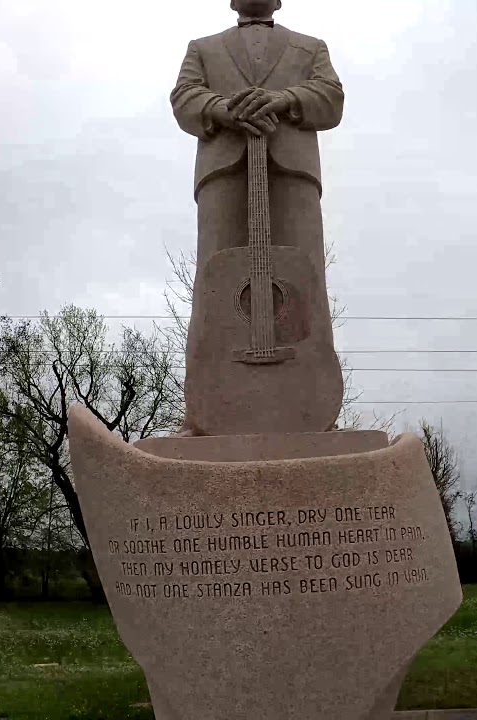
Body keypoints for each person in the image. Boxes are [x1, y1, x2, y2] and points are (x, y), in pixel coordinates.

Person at [170, 0, 346, 434]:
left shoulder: (311, 46)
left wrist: (284, 99)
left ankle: (315, 408)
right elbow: (184, 98)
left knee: (304, 279)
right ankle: (203, 412)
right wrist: (222, 110)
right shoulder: (203, 47)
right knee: (215, 281)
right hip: (224, 169)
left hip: (293, 169)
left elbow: (332, 99)